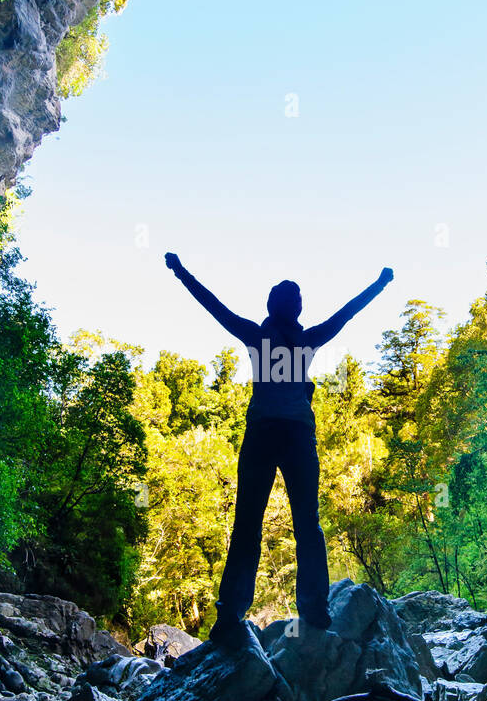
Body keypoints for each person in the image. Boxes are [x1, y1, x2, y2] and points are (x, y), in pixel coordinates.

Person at [164, 252, 393, 641]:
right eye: (298, 299)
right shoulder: (305, 339)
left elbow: (213, 306)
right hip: (297, 436)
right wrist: (379, 284)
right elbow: (347, 313)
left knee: (248, 525)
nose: (300, 303)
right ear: (292, 308)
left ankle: (230, 616)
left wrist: (181, 272)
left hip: (261, 434)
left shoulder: (258, 335)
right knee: (307, 523)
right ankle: (314, 610)